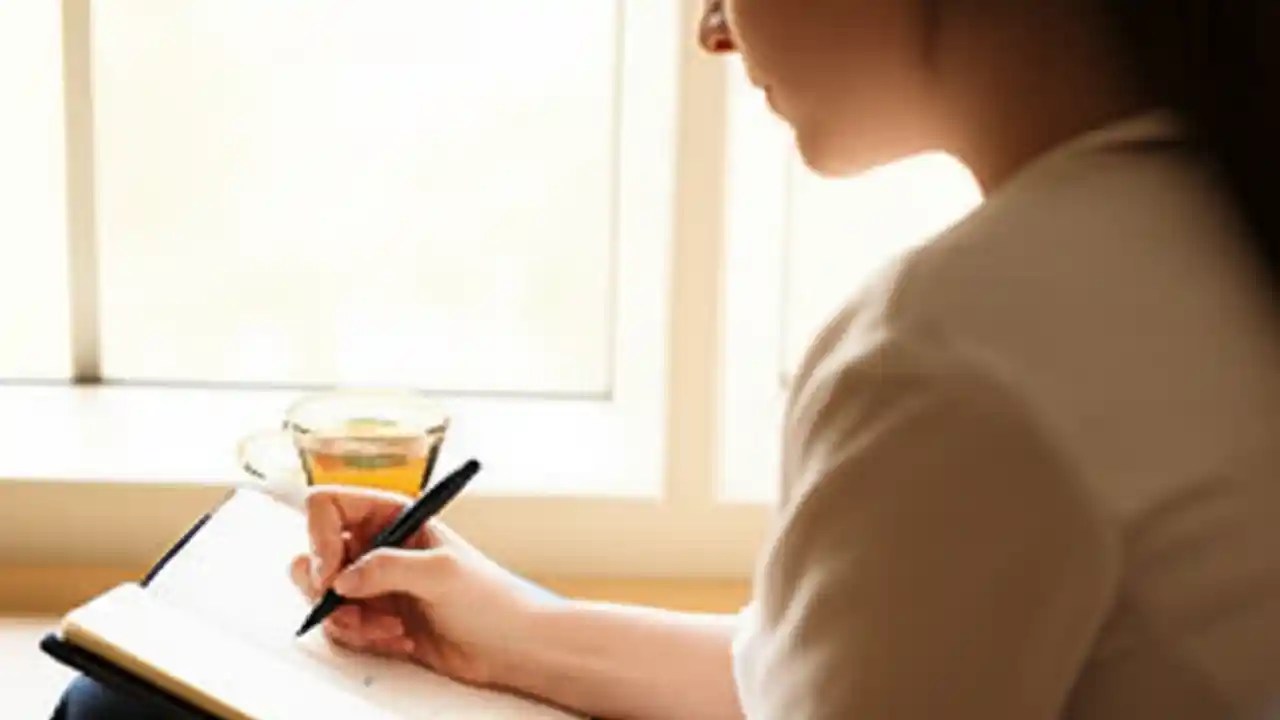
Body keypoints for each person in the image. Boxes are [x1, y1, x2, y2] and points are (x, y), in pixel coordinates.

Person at [56, 0, 1280, 718]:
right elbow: (825, 675)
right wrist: (514, 630)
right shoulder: (1197, 225)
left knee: (110, 710)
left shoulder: (957, 351)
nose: (709, 28)